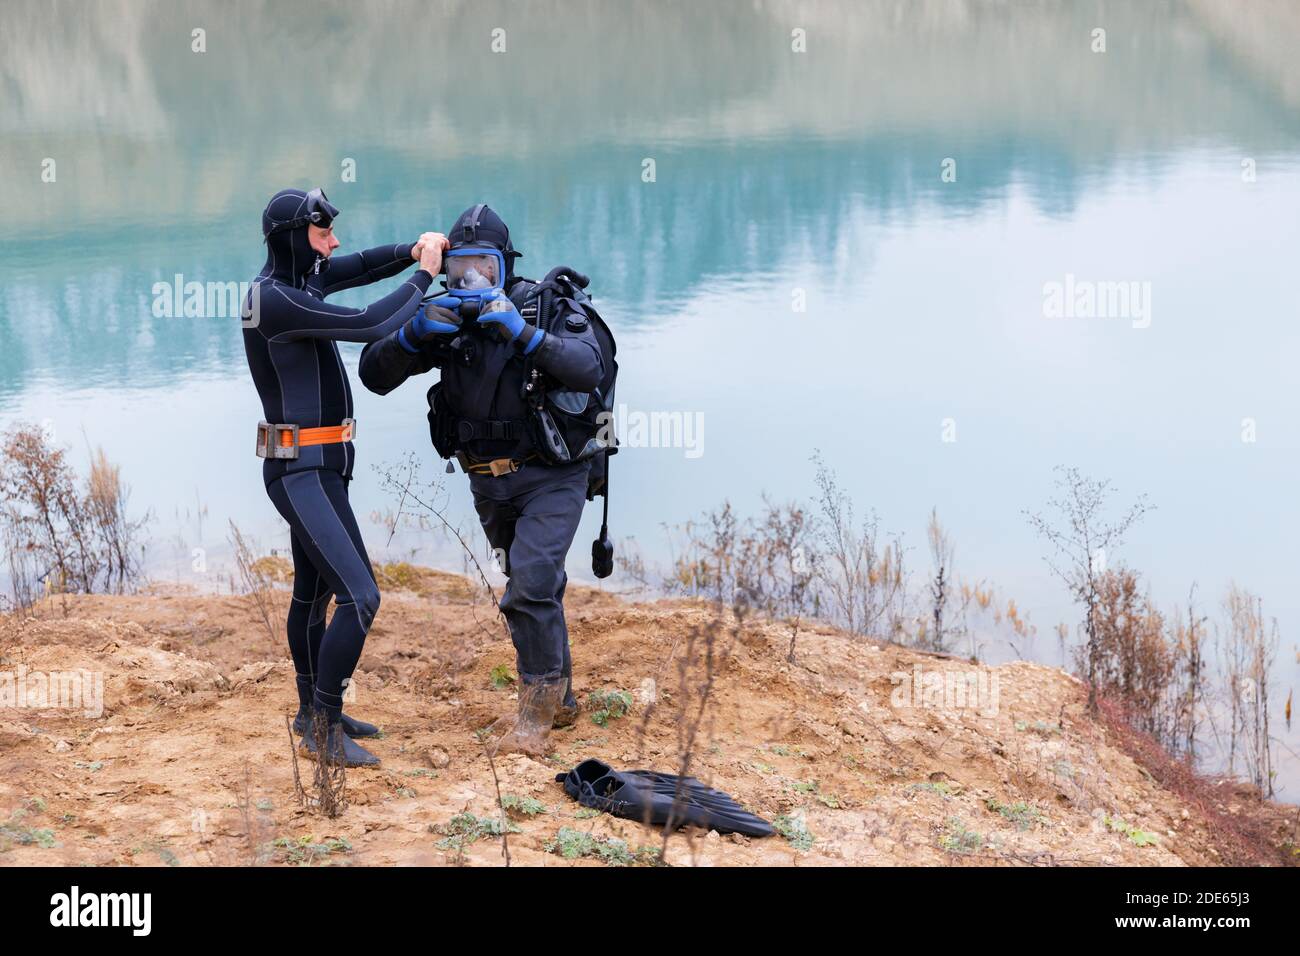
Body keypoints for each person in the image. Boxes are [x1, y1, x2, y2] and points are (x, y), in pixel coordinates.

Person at [358, 203, 605, 757]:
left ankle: (535, 719)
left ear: (505, 264)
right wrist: (412, 338)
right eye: (459, 265)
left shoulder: (543, 307)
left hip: (553, 473)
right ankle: (560, 699)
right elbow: (372, 374)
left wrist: (525, 336)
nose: (471, 279)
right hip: (486, 480)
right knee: (531, 580)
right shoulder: (446, 318)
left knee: (531, 585)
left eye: (484, 267)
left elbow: (589, 367)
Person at [242, 186, 455, 767]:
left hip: (321, 467)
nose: (333, 244)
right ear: (293, 237)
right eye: (321, 234)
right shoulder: (273, 300)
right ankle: (324, 725)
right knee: (360, 596)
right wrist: (426, 277)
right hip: (300, 472)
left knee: (311, 596)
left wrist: (412, 250)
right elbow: (366, 324)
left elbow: (360, 267)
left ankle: (311, 708)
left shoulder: (303, 282)